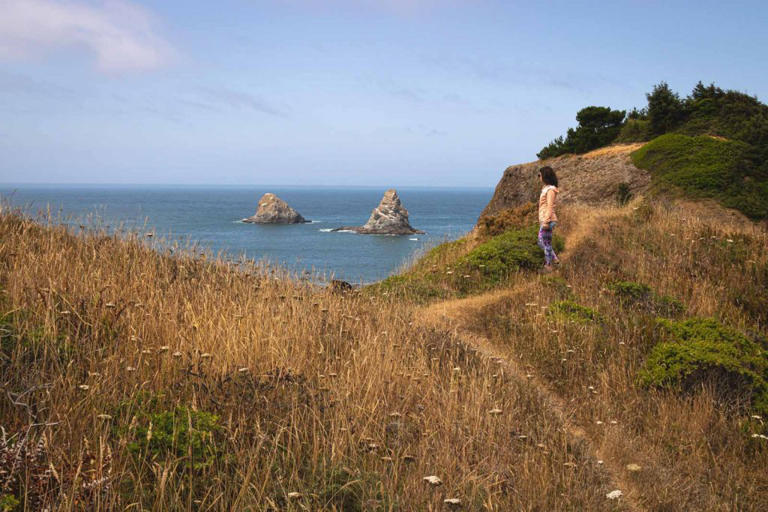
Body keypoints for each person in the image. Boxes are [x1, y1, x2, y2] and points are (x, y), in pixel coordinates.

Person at [537, 166, 560, 271]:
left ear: (544, 176)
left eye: (539, 175)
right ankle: (555, 260)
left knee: (543, 242)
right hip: (545, 218)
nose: (539, 177)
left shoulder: (550, 190)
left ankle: (549, 265)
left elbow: (550, 206)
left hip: (549, 220)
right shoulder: (546, 189)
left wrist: (546, 221)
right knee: (544, 242)